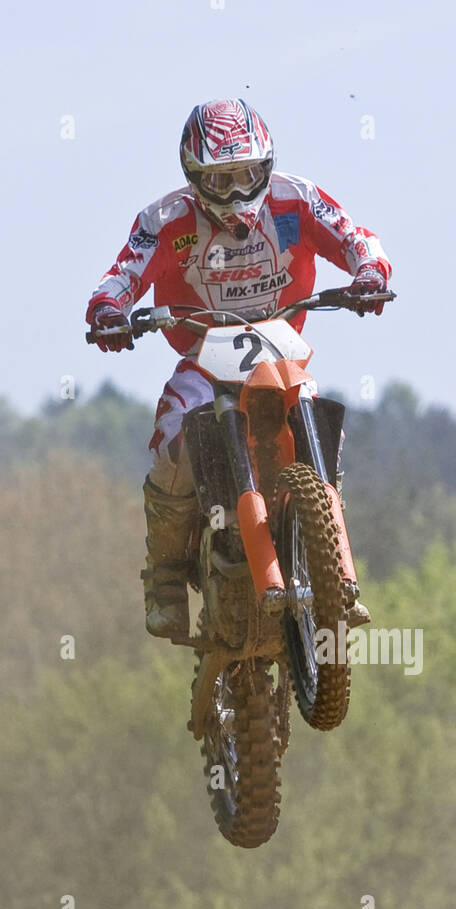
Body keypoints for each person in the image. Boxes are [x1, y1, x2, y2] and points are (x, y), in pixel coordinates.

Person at [86, 98, 392, 638]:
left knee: (325, 426)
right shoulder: (164, 220)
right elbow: (121, 274)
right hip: (203, 359)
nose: (234, 192)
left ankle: (332, 566)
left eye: (246, 174)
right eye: (219, 179)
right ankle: (165, 573)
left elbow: (356, 238)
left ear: (266, 165)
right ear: (193, 176)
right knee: (173, 438)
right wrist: (110, 311)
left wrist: (369, 272)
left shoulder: (298, 200)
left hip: (281, 350)